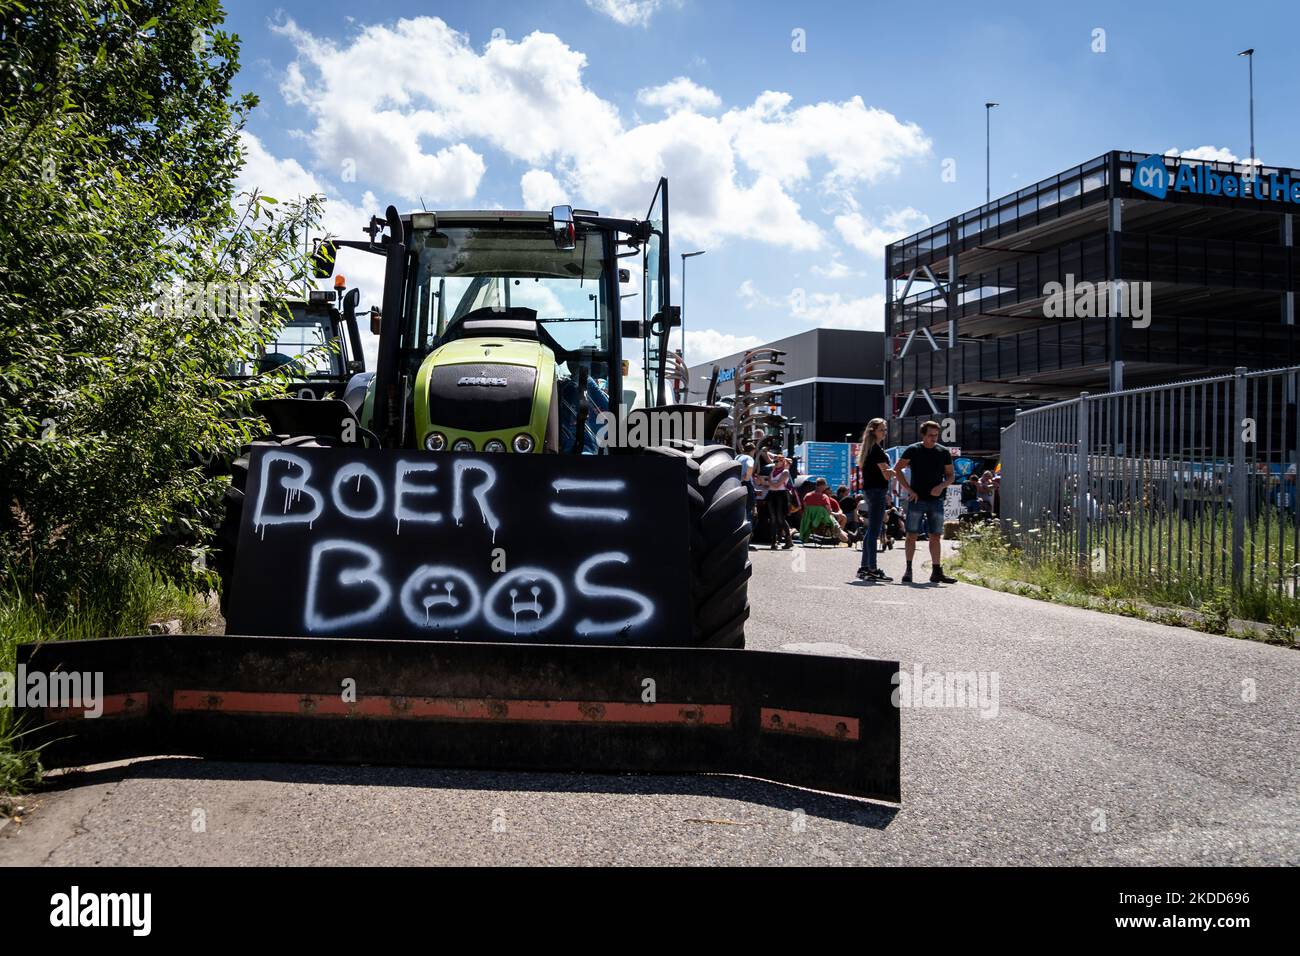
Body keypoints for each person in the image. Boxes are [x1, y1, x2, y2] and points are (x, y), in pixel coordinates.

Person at [893, 420, 957, 584]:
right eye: (930, 435)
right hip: (917, 499)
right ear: (923, 435)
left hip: (936, 500)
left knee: (935, 535)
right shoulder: (913, 450)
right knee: (911, 535)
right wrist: (909, 490)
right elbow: (897, 469)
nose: (933, 439)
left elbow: (951, 476)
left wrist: (941, 486)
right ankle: (908, 570)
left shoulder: (943, 452)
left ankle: (936, 571)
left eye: (936, 435)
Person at [855, 417, 894, 581]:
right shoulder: (877, 450)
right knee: (874, 531)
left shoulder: (869, 449)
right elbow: (886, 474)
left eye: (885, 430)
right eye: (881, 430)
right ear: (873, 431)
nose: (884, 433)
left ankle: (864, 567)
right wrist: (896, 470)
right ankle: (872, 568)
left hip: (871, 491)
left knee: (871, 530)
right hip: (877, 491)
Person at [801, 478, 848, 543]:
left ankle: (850, 536)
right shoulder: (824, 497)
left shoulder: (807, 495)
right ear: (823, 486)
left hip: (809, 521)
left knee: (836, 524)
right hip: (823, 521)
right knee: (835, 525)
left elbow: (805, 509)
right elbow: (829, 511)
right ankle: (848, 538)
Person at [766, 454, 794, 550]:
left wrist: (770, 483)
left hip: (781, 495)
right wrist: (771, 483)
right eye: (775, 461)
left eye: (777, 461)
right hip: (771, 495)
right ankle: (773, 542)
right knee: (772, 519)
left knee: (780, 518)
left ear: (782, 462)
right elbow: (770, 483)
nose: (775, 463)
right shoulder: (773, 470)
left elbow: (777, 485)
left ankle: (788, 540)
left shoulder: (785, 471)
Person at [736, 441, 757, 526]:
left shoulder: (737, 457)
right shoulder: (749, 458)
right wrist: (747, 477)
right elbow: (750, 466)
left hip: (737, 484)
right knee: (749, 509)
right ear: (752, 451)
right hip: (746, 484)